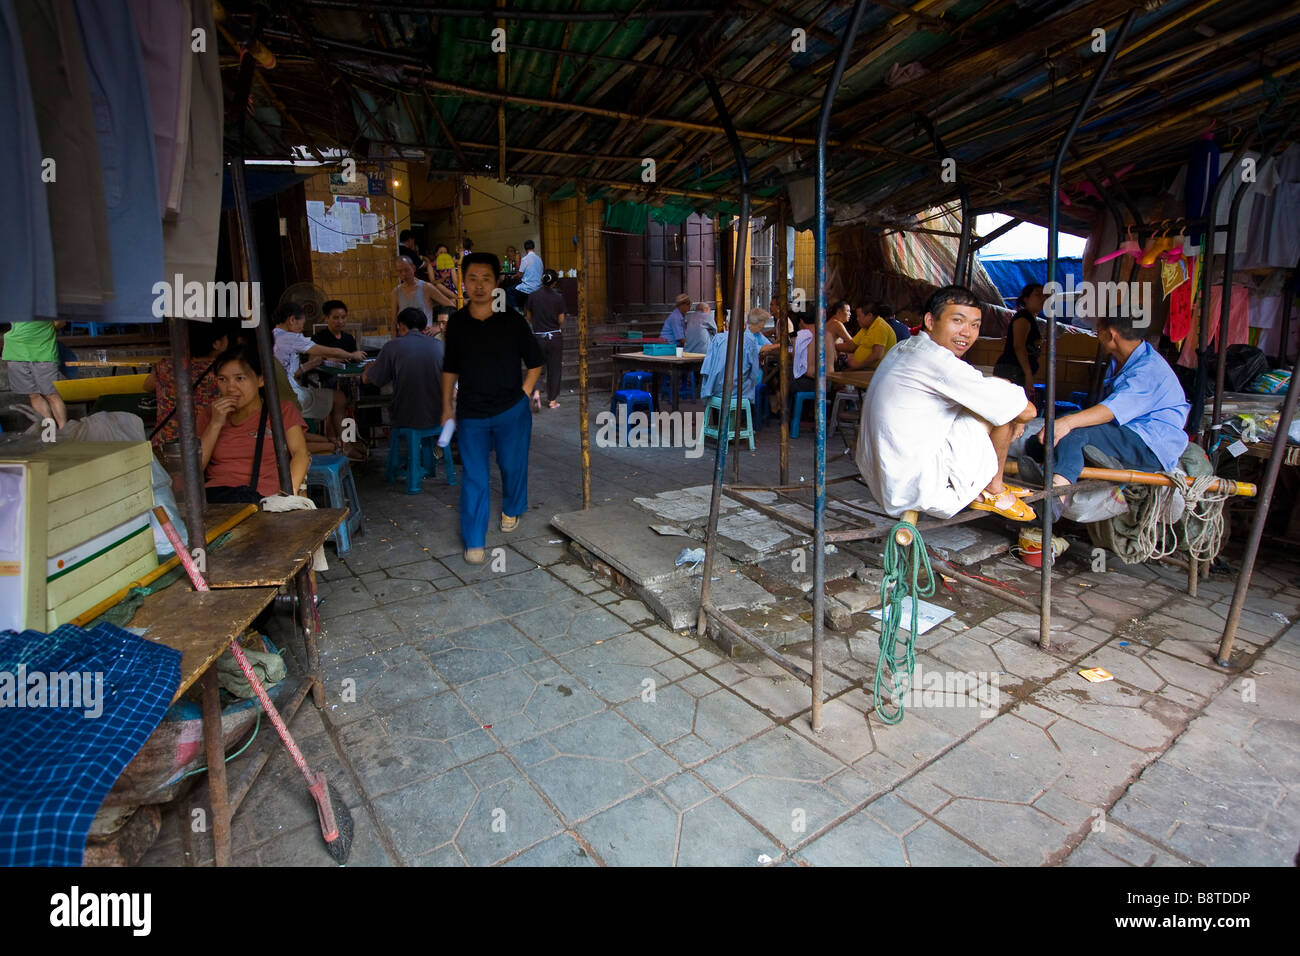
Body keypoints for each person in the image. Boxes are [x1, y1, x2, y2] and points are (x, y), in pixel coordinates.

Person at [856, 285, 1037, 521]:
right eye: (958, 321)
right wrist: (1014, 415)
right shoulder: (939, 361)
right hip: (916, 487)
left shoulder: (907, 346)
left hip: (883, 478)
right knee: (1001, 406)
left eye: (975, 325)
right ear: (930, 321)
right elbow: (1028, 411)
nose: (967, 332)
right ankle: (994, 490)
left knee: (995, 396)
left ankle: (991, 482)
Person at [441, 252, 544, 565]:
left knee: (512, 468)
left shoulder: (511, 320)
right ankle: (474, 539)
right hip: (472, 413)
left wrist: (524, 395)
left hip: (511, 411)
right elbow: (450, 368)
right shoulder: (457, 323)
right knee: (474, 476)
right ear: (465, 282)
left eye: (486, 278)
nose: (479, 285)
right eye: (472, 278)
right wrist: (446, 406)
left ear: (497, 281)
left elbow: (536, 362)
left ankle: (512, 508)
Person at [1020, 310, 1189, 490]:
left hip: (1150, 446)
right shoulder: (1121, 362)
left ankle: (1055, 495)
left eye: (1098, 331)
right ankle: (1036, 453)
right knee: (1068, 421)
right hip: (1128, 434)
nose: (1097, 336)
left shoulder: (1149, 370)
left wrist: (1067, 423)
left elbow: (1111, 410)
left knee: (1073, 431)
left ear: (1111, 335)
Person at [198, 344, 310, 502]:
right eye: (222, 379)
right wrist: (215, 424)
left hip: (266, 500)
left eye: (240, 378)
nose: (230, 387)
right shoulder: (210, 414)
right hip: (217, 501)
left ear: (260, 380)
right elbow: (194, 470)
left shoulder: (281, 411)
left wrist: (287, 496)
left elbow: (300, 454)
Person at [271, 301, 364, 456]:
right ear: (292, 320)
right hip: (291, 395)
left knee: (338, 398)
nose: (301, 330)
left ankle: (338, 443)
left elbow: (291, 373)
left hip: (287, 391)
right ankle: (342, 446)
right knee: (339, 398)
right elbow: (330, 351)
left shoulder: (274, 335)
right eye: (301, 325)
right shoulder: (292, 337)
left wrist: (312, 363)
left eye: (343, 317)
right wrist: (351, 355)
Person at [145, 319, 230, 452]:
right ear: (217, 344)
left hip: (165, 444)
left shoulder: (166, 366)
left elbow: (146, 386)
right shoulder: (225, 372)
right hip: (206, 443)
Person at [363, 307, 444, 430]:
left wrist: (367, 369)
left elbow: (369, 380)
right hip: (438, 415)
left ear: (402, 326)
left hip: (405, 416)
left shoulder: (392, 346)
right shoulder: (439, 345)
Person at [2, 319, 67, 428]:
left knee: (51, 394)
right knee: (33, 395)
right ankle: (50, 427)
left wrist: (45, 330)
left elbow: (61, 322)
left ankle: (64, 429)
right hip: (16, 351)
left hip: (43, 351)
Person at [701, 308, 763, 406]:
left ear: (727, 325)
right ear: (744, 327)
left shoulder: (717, 339)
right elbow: (754, 374)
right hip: (741, 393)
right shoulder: (750, 342)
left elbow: (706, 369)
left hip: (717, 392)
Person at [994, 283, 1045, 402]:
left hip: (1016, 370)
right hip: (1012, 370)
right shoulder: (1023, 317)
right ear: (1026, 299)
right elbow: (1019, 346)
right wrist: (1028, 375)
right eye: (1038, 294)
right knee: (1011, 407)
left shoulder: (1031, 318)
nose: (1043, 298)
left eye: (1044, 295)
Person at [526, 269, 566, 409]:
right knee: (554, 368)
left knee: (538, 366)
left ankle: (536, 392)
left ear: (542, 280)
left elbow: (528, 317)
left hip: (537, 337)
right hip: (554, 337)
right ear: (554, 283)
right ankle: (552, 400)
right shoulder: (558, 297)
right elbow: (561, 319)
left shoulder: (532, 296)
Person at [393, 255, 456, 337]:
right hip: (405, 339)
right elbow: (393, 320)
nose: (403, 274)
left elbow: (451, 306)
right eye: (399, 271)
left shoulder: (426, 288)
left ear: (413, 268)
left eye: (406, 270)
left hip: (425, 337)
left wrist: (438, 327)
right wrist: (393, 341)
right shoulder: (396, 292)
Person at [847, 303, 897, 370]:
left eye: (859, 316)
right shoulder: (866, 327)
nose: (857, 319)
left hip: (872, 371)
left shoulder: (880, 327)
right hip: (863, 367)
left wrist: (857, 365)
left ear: (869, 315)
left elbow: (877, 355)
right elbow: (851, 346)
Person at [511, 239, 543, 311]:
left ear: (525, 249)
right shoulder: (539, 259)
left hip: (528, 288)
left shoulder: (525, 259)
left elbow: (520, 275)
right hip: (538, 287)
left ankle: (519, 311)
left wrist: (513, 276)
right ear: (534, 248)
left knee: (510, 291)